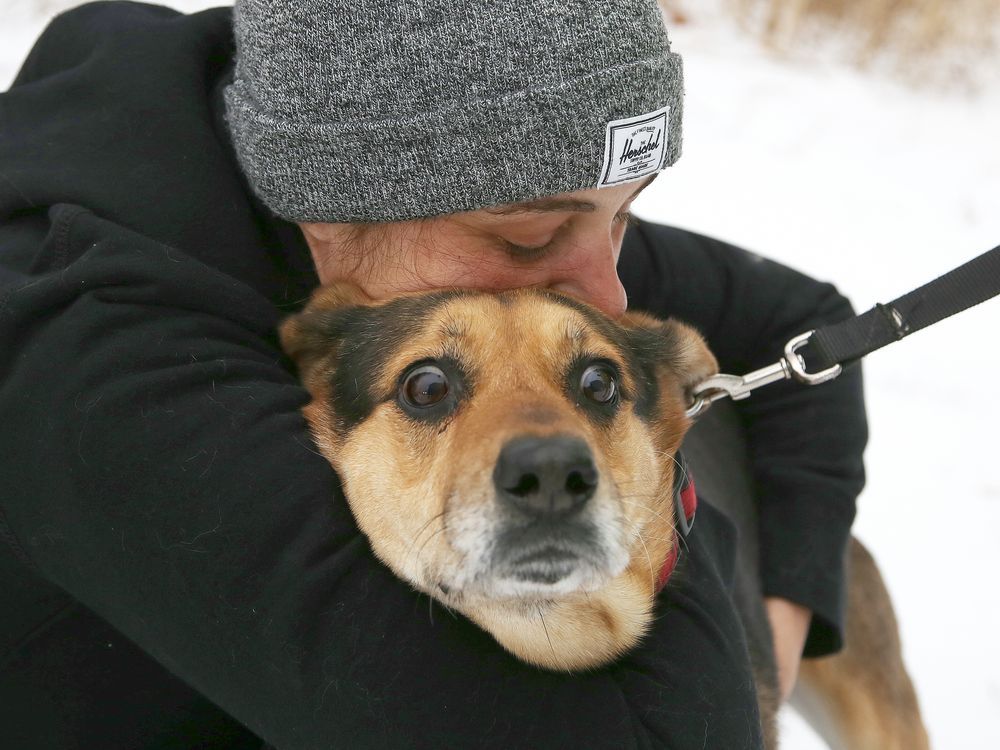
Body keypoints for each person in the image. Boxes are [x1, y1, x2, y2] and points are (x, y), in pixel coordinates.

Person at [0, 1, 866, 748]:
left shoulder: (457, 217)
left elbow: (800, 319)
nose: (607, 290)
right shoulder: (100, 362)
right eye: (530, 236)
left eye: (622, 217)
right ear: (331, 208)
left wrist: (789, 603)